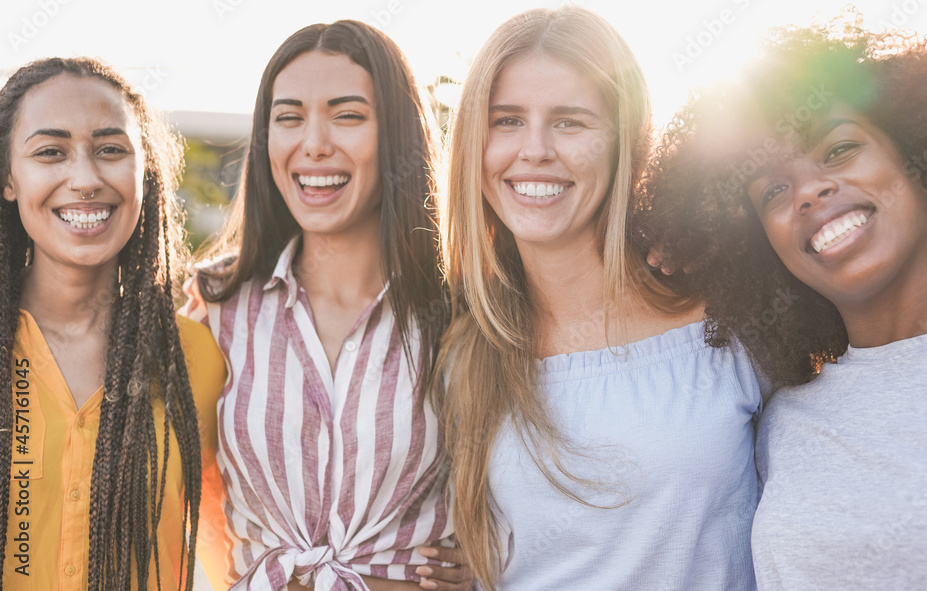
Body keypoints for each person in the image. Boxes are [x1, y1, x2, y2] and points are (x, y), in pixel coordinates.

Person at [638, 22, 927, 589]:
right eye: (773, 192)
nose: (809, 191)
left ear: (920, 163)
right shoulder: (784, 418)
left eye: (839, 149)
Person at [436, 6, 764, 590]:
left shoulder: (728, 322)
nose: (534, 150)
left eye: (570, 122)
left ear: (624, 142)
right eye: (506, 120)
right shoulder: (464, 355)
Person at [181, 21, 470, 591]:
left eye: (347, 115)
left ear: (397, 137)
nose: (313, 143)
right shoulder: (213, 307)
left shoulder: (462, 311)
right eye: (289, 117)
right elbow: (185, 503)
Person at [0, 57, 227, 590]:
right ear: (9, 179)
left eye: (110, 150)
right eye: (50, 152)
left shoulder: (199, 359)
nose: (84, 179)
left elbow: (242, 545)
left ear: (144, 172)